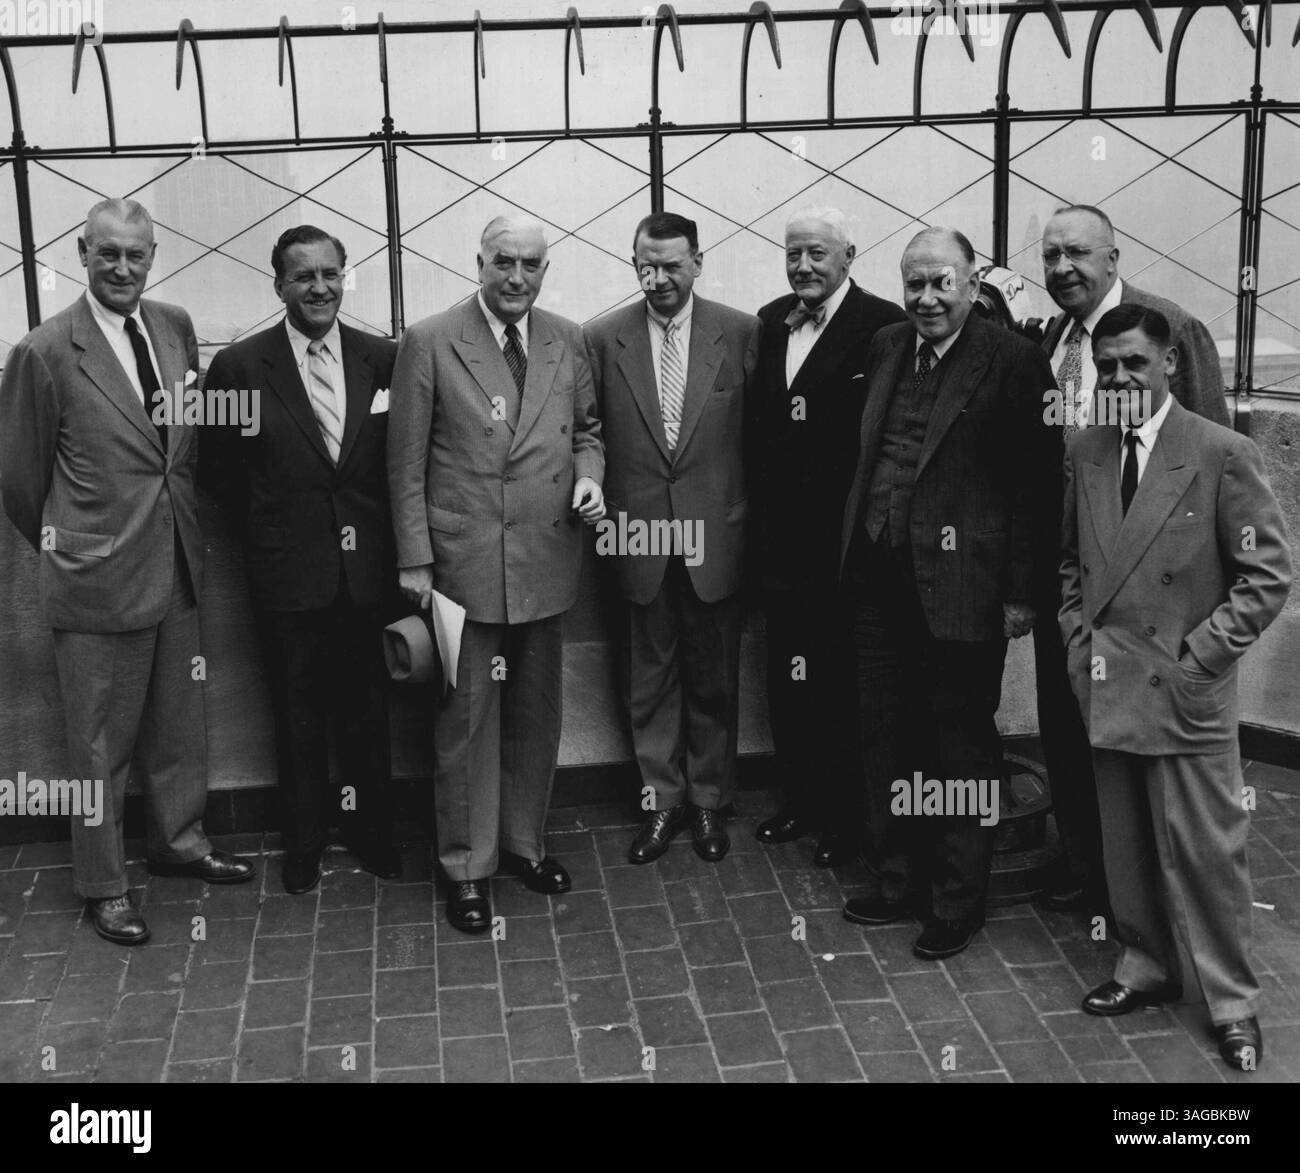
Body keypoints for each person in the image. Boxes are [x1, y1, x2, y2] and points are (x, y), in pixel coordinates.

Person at [0, 198, 253, 946]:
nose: (121, 268)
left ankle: (178, 840)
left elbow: (181, 441)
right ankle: (104, 883)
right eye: (106, 253)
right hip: (96, 579)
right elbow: (19, 481)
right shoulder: (44, 351)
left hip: (174, 560)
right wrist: (79, 543)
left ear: (152, 256)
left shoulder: (172, 326)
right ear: (80, 253)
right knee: (98, 746)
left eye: (134, 255)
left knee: (180, 719)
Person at [1060, 302, 1291, 1072]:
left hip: (1184, 686)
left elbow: (1267, 575)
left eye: (1134, 361)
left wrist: (1200, 656)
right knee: (1123, 842)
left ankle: (1233, 1004)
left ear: (1169, 365)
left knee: (1206, 851)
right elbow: (1070, 560)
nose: (1119, 375)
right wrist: (1075, 640)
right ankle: (1146, 963)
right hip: (1108, 679)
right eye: (1107, 363)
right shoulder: (1085, 447)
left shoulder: (1221, 452)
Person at [838, 226, 1059, 960]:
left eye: (942, 282)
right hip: (879, 578)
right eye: (915, 283)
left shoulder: (1016, 362)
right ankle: (898, 876)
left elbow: (1036, 485)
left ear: (970, 283)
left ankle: (957, 901)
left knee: (959, 746)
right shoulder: (888, 347)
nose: (927, 298)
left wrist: (1021, 592)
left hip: (965, 586)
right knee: (883, 734)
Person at [388, 213, 605, 933]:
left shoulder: (567, 338)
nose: (517, 278)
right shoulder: (429, 340)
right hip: (463, 565)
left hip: (546, 559)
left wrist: (589, 478)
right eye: (503, 262)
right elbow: (404, 460)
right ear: (478, 261)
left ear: (547, 271)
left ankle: (523, 843)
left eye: (531, 266)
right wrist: (416, 557)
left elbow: (588, 432)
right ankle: (467, 866)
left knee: (536, 716)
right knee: (465, 722)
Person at [1035, 204, 1230, 915]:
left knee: (1149, 747)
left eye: (1078, 253)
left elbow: (1208, 463)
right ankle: (1089, 869)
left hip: (1152, 588)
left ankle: (1155, 895)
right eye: (1051, 255)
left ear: (1114, 259)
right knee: (1072, 724)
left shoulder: (1170, 328)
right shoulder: (1056, 336)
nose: (1062, 268)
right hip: (1073, 576)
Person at [200, 225, 401, 895]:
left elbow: (396, 463)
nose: (319, 287)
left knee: (369, 711)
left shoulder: (383, 358)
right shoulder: (238, 367)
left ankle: (373, 833)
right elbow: (221, 476)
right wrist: (276, 537)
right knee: (295, 715)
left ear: (346, 277)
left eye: (330, 274)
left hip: (368, 572)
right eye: (304, 276)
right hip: (288, 577)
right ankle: (305, 843)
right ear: (278, 284)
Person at [583, 213, 759, 866]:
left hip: (716, 539)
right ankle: (660, 802)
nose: (657, 278)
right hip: (639, 542)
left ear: (697, 262)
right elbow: (588, 430)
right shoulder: (602, 338)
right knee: (648, 681)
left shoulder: (742, 332)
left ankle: (710, 803)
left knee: (714, 680)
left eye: (670, 265)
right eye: (644, 266)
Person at [749, 206, 906, 867]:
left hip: (845, 546)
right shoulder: (769, 319)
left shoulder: (883, 326)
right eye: (794, 254)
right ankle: (800, 799)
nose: (804, 266)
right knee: (788, 678)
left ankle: (846, 818)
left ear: (849, 255)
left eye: (817, 253)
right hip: (781, 545)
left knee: (844, 683)